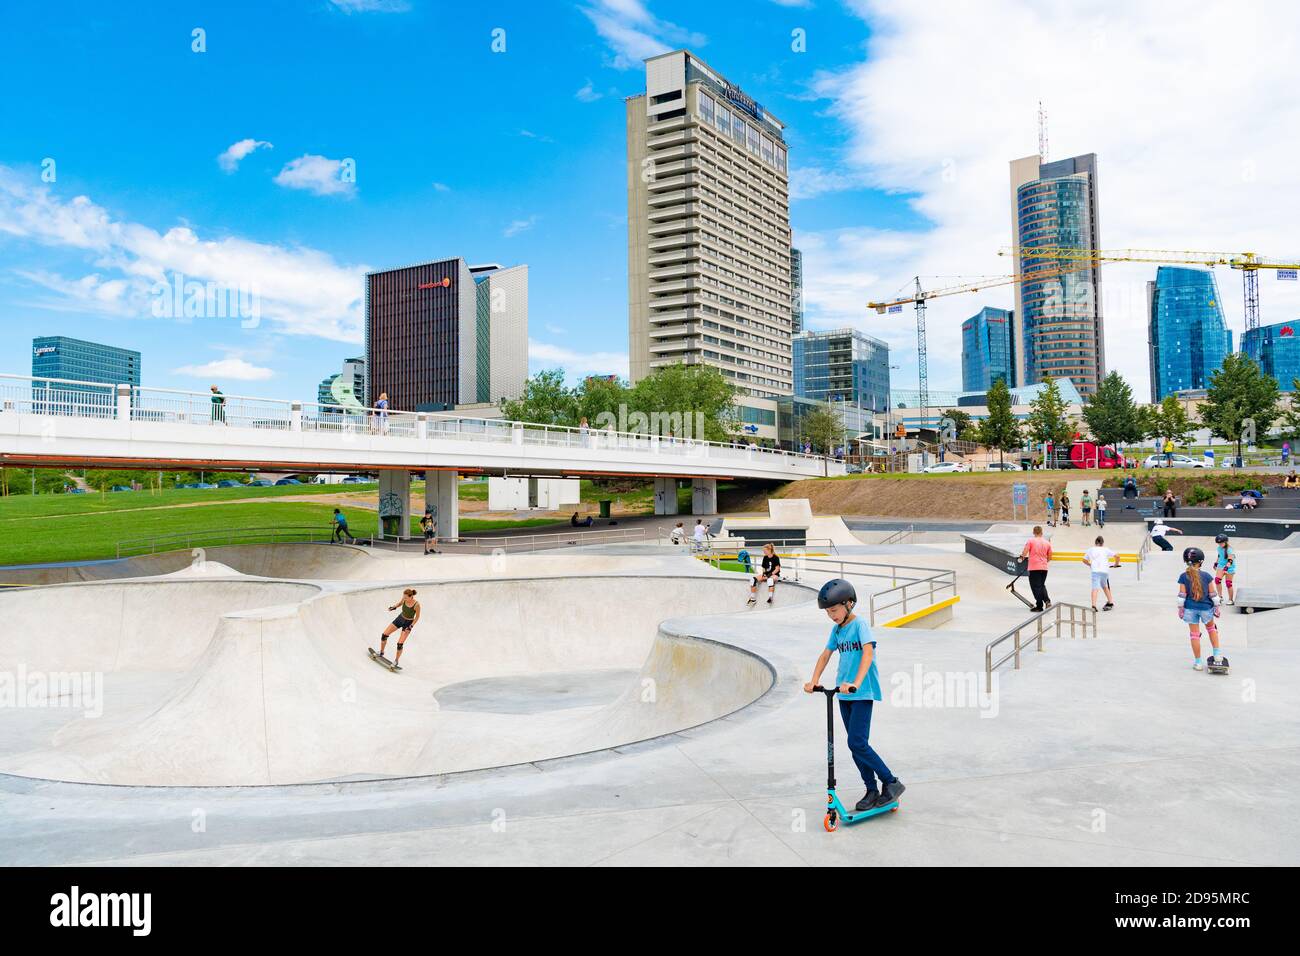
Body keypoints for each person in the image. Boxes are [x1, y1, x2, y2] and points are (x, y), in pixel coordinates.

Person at [804, 579, 905, 813]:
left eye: (834, 610)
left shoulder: (860, 625)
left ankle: (891, 782)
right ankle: (871, 790)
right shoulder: (836, 630)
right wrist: (814, 680)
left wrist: (856, 684)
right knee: (856, 745)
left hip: (862, 692)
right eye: (828, 612)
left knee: (856, 742)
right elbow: (825, 654)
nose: (831, 615)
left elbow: (868, 654)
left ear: (848, 604)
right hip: (843, 695)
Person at [1177, 548, 1222, 672]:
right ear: (1201, 562)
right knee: (1212, 629)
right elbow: (1213, 594)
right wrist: (1217, 606)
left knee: (1194, 635)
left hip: (1190, 609)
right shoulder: (1207, 576)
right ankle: (1217, 655)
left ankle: (1198, 663)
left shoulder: (1183, 576)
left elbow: (1181, 596)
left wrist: (1181, 609)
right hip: (1206, 608)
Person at [378, 588, 420, 667]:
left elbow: (417, 617)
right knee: (384, 635)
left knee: (400, 644)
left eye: (406, 597)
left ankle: (396, 661)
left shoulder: (416, 605)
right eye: (403, 597)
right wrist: (394, 607)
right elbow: (400, 603)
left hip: (408, 623)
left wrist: (411, 626)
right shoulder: (404, 599)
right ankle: (381, 652)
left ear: (411, 597)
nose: (404, 598)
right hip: (400, 619)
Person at [1019, 525, 1053, 612]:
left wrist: (1022, 557)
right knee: (1041, 585)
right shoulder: (1047, 543)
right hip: (1044, 568)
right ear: (1042, 533)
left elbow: (1025, 552)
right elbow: (1050, 557)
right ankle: (1047, 601)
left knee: (1035, 587)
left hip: (1034, 568)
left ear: (1034, 532)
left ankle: (1039, 606)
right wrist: (1044, 562)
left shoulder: (1031, 541)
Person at [1082, 535, 1119, 612]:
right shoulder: (1106, 549)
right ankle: (1110, 601)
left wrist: (1090, 565)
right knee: (1105, 586)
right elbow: (1117, 556)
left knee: (1095, 588)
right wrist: (1116, 564)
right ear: (1102, 543)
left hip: (1095, 571)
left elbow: (1084, 560)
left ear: (1095, 542)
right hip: (1104, 571)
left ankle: (1094, 605)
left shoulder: (1090, 550)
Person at [747, 542, 781, 606]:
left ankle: (770, 598)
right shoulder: (765, 557)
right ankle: (753, 599)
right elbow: (764, 568)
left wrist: (769, 575)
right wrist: (764, 574)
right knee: (753, 580)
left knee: (770, 580)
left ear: (769, 550)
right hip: (767, 574)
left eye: (765, 551)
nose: (764, 552)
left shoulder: (775, 557)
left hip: (774, 575)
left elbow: (777, 569)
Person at [1213, 533, 1237, 606]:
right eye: (1219, 543)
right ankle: (1220, 597)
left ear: (1226, 542)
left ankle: (1230, 599)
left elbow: (1230, 560)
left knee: (1228, 583)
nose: (1220, 545)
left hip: (1229, 567)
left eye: (1221, 543)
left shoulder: (1230, 550)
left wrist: (1226, 568)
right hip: (1221, 566)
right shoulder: (1219, 548)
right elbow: (1219, 555)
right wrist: (1216, 563)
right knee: (1217, 580)